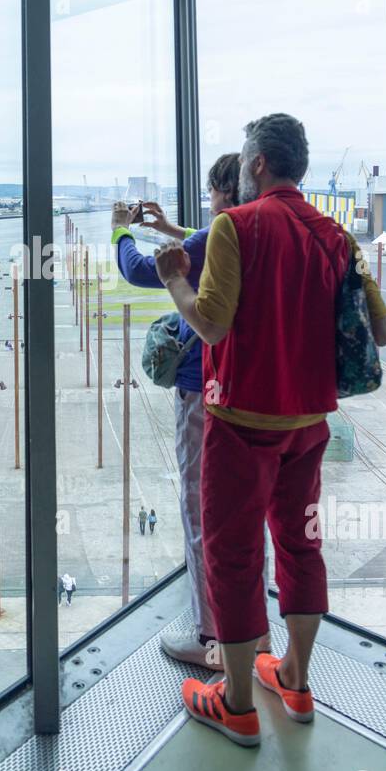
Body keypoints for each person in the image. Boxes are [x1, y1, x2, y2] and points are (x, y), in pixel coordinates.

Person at [156, 113, 386, 748]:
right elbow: (382, 333)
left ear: (258, 164)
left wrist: (175, 274)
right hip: (309, 425)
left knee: (232, 556)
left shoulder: (237, 225)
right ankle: (296, 677)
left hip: (240, 425)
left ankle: (235, 703)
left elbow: (210, 326)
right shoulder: (336, 236)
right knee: (300, 544)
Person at [113, 155, 261, 670]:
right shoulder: (255, 232)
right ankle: (251, 630)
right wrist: (170, 228)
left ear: (224, 191)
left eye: (212, 191)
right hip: (250, 394)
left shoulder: (220, 233)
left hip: (204, 393)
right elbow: (199, 244)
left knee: (200, 513)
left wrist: (120, 234)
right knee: (246, 516)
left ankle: (211, 636)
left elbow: (138, 271)